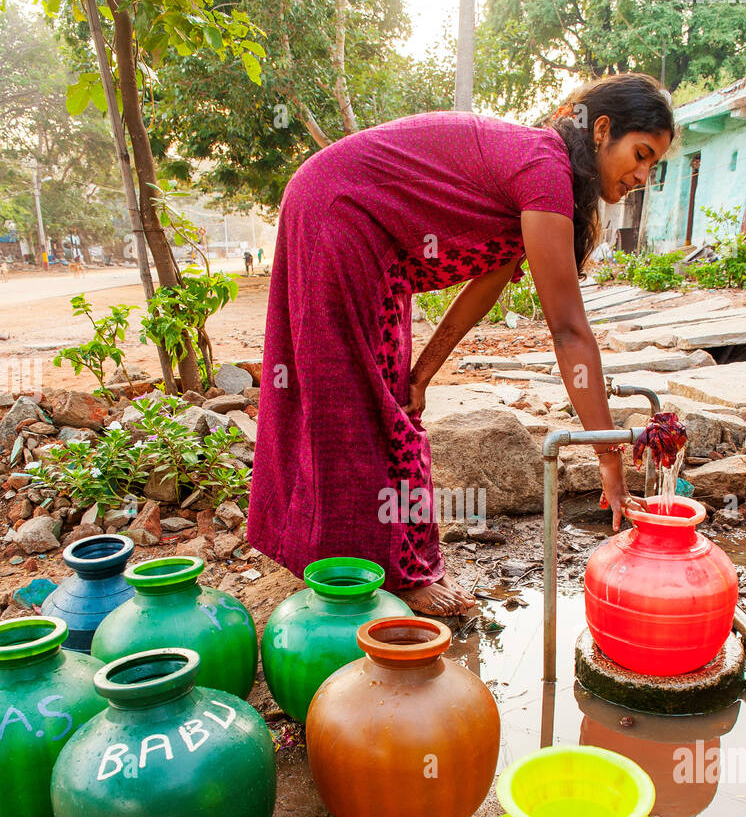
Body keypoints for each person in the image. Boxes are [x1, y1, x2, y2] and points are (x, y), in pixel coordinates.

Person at [248, 73, 674, 616]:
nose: (641, 174)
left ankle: (355, 564)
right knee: (356, 406)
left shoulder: (542, 173)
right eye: (639, 155)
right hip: (339, 215)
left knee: (388, 398)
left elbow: (487, 285)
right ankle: (386, 577)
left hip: (353, 225)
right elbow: (568, 331)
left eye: (652, 165)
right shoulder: (545, 171)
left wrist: (423, 371)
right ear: (603, 131)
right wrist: (609, 462)